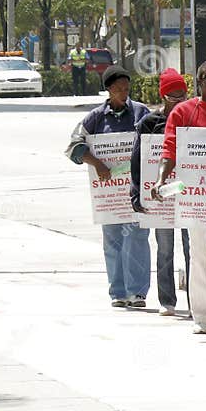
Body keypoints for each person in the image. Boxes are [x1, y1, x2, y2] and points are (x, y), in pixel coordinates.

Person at [152, 59, 206, 335]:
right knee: (198, 255)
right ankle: (202, 317)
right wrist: (161, 178)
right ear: (199, 81)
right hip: (196, 196)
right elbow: (170, 149)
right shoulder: (183, 112)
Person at [65, 65, 151, 307]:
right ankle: (118, 292)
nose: (124, 93)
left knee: (137, 236)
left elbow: (155, 141)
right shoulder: (95, 117)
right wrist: (97, 163)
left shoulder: (140, 113)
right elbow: (74, 145)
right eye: (118, 89)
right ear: (108, 90)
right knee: (113, 238)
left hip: (134, 188)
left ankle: (138, 292)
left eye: (127, 88)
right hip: (108, 193)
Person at [129, 68, 190, 317]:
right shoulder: (149, 123)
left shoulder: (191, 117)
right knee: (165, 248)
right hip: (160, 195)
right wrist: (136, 191)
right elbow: (137, 160)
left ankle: (197, 301)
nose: (178, 100)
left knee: (192, 248)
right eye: (173, 96)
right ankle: (167, 301)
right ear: (163, 96)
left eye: (182, 95)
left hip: (188, 193)